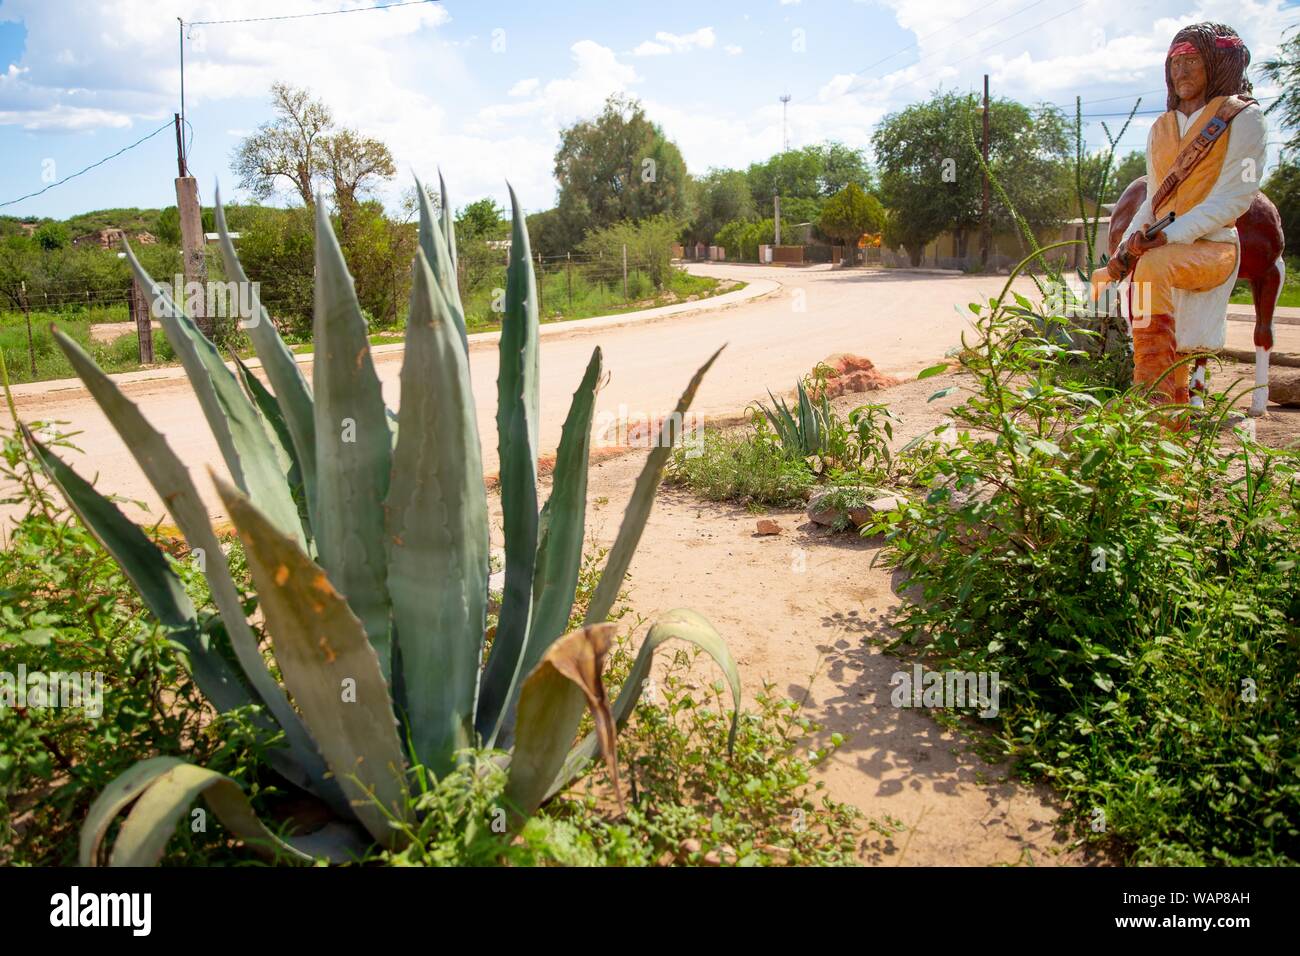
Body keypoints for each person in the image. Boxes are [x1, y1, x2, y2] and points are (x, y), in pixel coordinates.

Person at [1107, 22, 1267, 412]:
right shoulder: (1161, 127)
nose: (1181, 72)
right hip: (1166, 244)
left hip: (1213, 247)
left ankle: (1151, 396)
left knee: (1155, 267)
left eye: (1192, 61)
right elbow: (1152, 200)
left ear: (1219, 64)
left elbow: (1236, 197)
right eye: (1175, 62)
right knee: (1143, 272)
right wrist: (1130, 240)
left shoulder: (1244, 119)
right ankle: (1165, 411)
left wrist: (1172, 234)